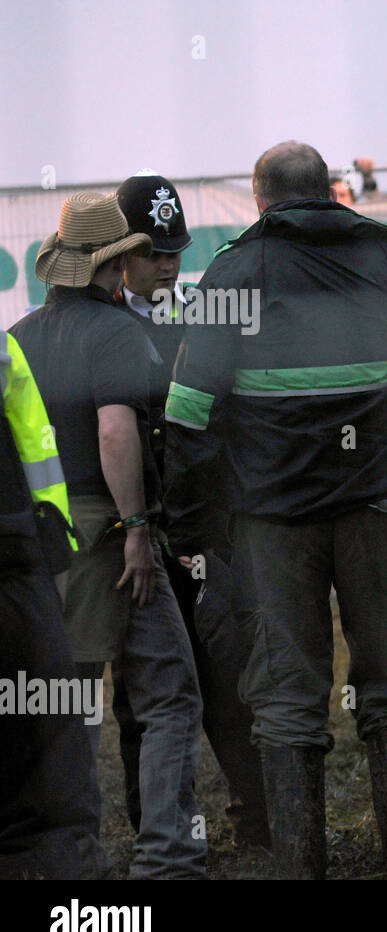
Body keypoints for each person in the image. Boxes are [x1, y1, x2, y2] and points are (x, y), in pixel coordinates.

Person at [163, 141, 387, 879]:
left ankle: (299, 867)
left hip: (273, 523)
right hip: (378, 510)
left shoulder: (233, 272)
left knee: (285, 693)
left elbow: (188, 412)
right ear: (332, 193)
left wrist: (192, 526)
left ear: (259, 202)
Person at [11, 192, 206, 878]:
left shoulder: (20, 338)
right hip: (114, 531)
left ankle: (73, 856)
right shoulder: (119, 332)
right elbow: (117, 429)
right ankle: (167, 855)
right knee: (169, 694)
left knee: (68, 707)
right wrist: (136, 528)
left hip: (47, 542)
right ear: (113, 262)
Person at [112, 170, 269, 849]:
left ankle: (257, 817)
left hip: (204, 527)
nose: (167, 266)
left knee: (229, 675)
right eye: (153, 253)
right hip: (135, 533)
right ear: (116, 254)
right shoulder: (103, 326)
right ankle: (153, 828)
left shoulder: (194, 319)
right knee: (142, 695)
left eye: (174, 252)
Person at [0, 330, 109, 879]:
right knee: (47, 724)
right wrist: (53, 547)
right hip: (16, 553)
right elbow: (37, 445)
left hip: (19, 551)